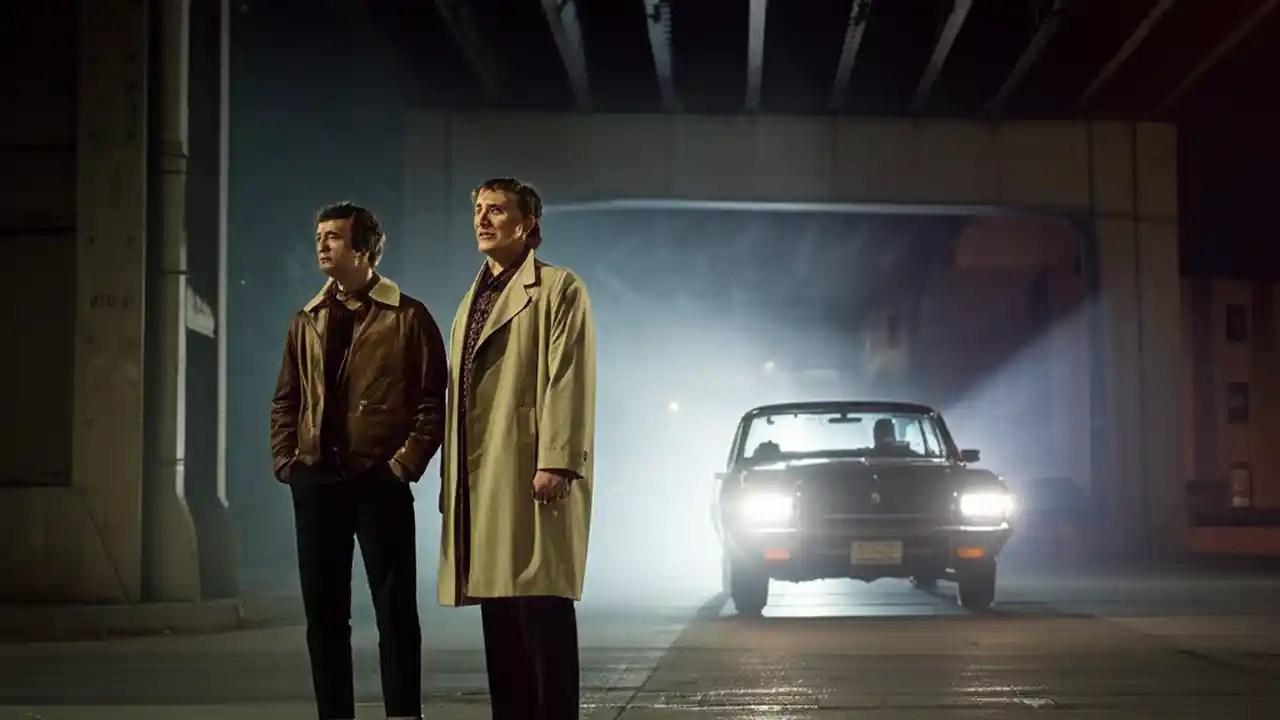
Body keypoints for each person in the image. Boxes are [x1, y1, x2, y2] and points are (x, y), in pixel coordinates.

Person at [270, 201, 447, 720]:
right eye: (319, 236)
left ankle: (402, 714)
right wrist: (287, 461)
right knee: (323, 616)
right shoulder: (308, 317)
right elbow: (286, 398)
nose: (322, 244)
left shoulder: (407, 316)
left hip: (379, 483)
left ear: (365, 248)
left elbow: (432, 400)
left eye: (335, 237)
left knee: (395, 613)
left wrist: (402, 465)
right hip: (317, 481)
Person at [437, 177, 597, 719]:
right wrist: (451, 479)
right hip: (483, 477)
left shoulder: (558, 288)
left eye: (496, 210)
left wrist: (556, 459)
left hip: (531, 471)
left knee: (540, 608)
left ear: (527, 225)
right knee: (500, 614)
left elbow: (569, 378)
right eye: (478, 208)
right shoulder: (473, 297)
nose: (482, 219)